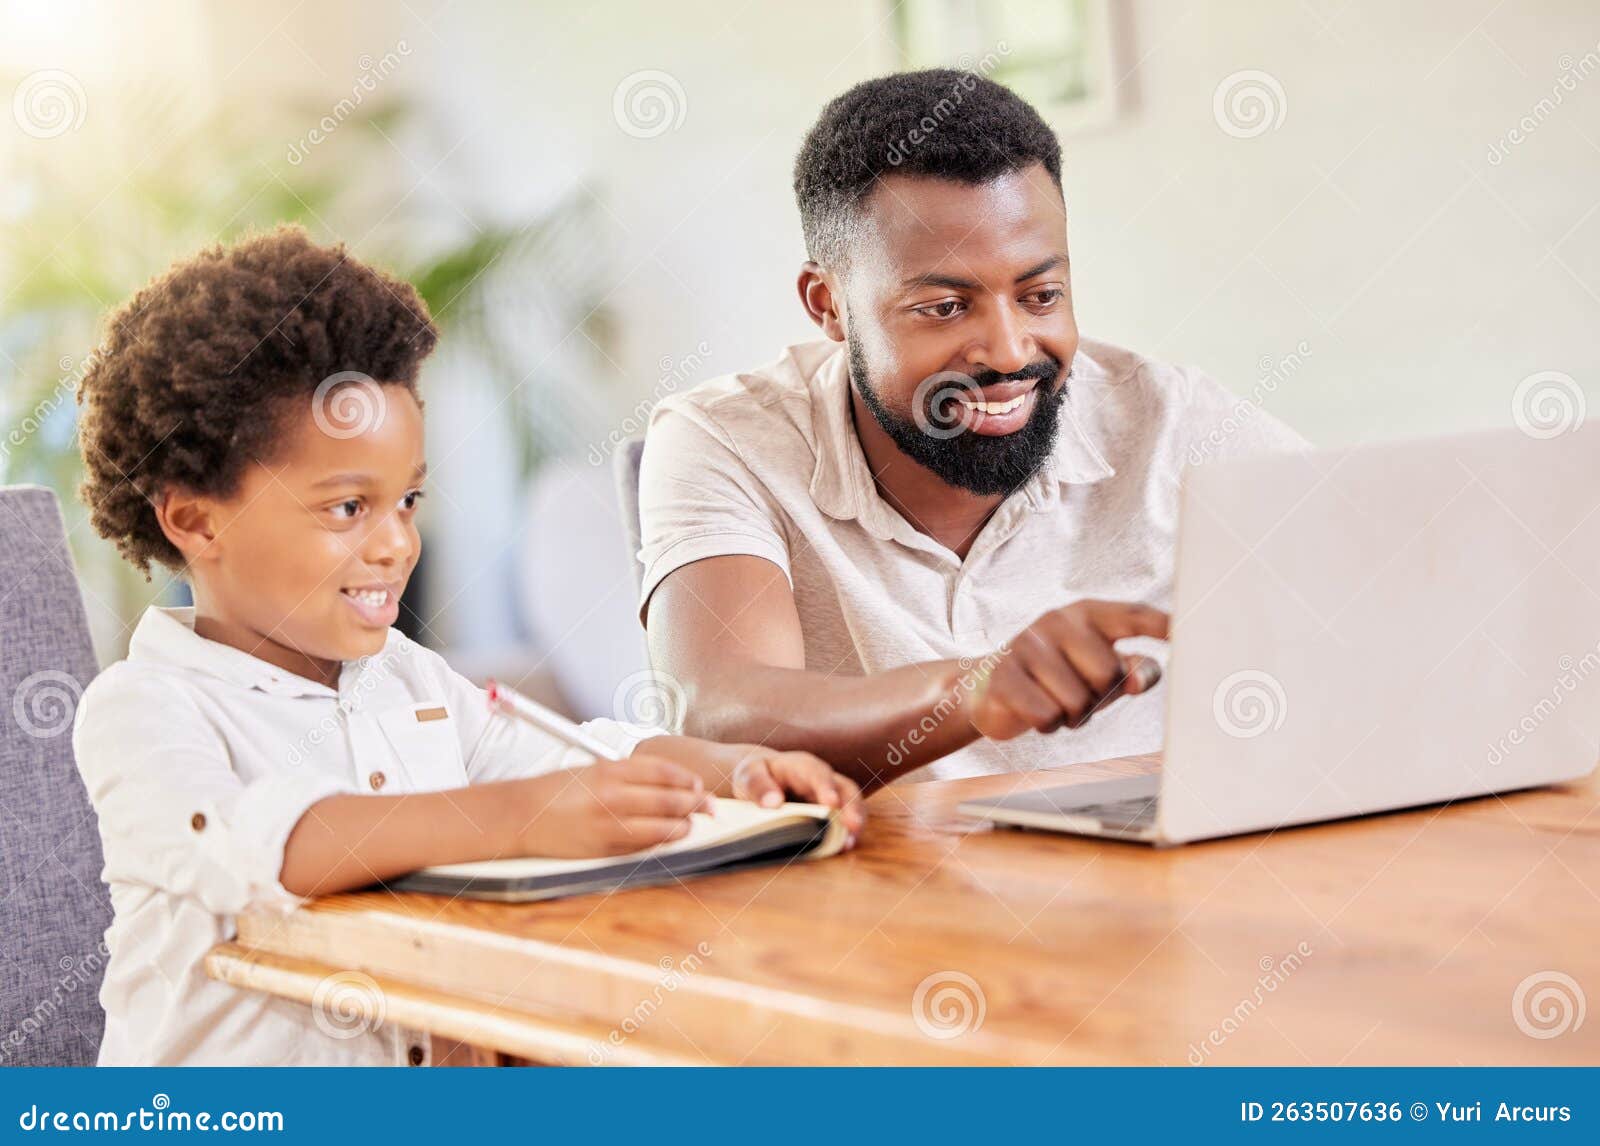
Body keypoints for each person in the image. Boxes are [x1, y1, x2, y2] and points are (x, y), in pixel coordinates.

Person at [70, 227, 863, 1065]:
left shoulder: (405, 677)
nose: (397, 545)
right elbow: (264, 847)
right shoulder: (142, 709)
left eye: (407, 499)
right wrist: (520, 817)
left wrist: (726, 770)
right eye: (347, 508)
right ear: (196, 520)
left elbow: (570, 751)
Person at [638, 70, 1307, 788]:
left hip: (1149, 877)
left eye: (1040, 295)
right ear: (828, 303)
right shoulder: (726, 438)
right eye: (947, 306)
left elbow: (1377, 576)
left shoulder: (1173, 422)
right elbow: (720, 708)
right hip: (874, 886)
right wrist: (975, 689)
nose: (1010, 350)